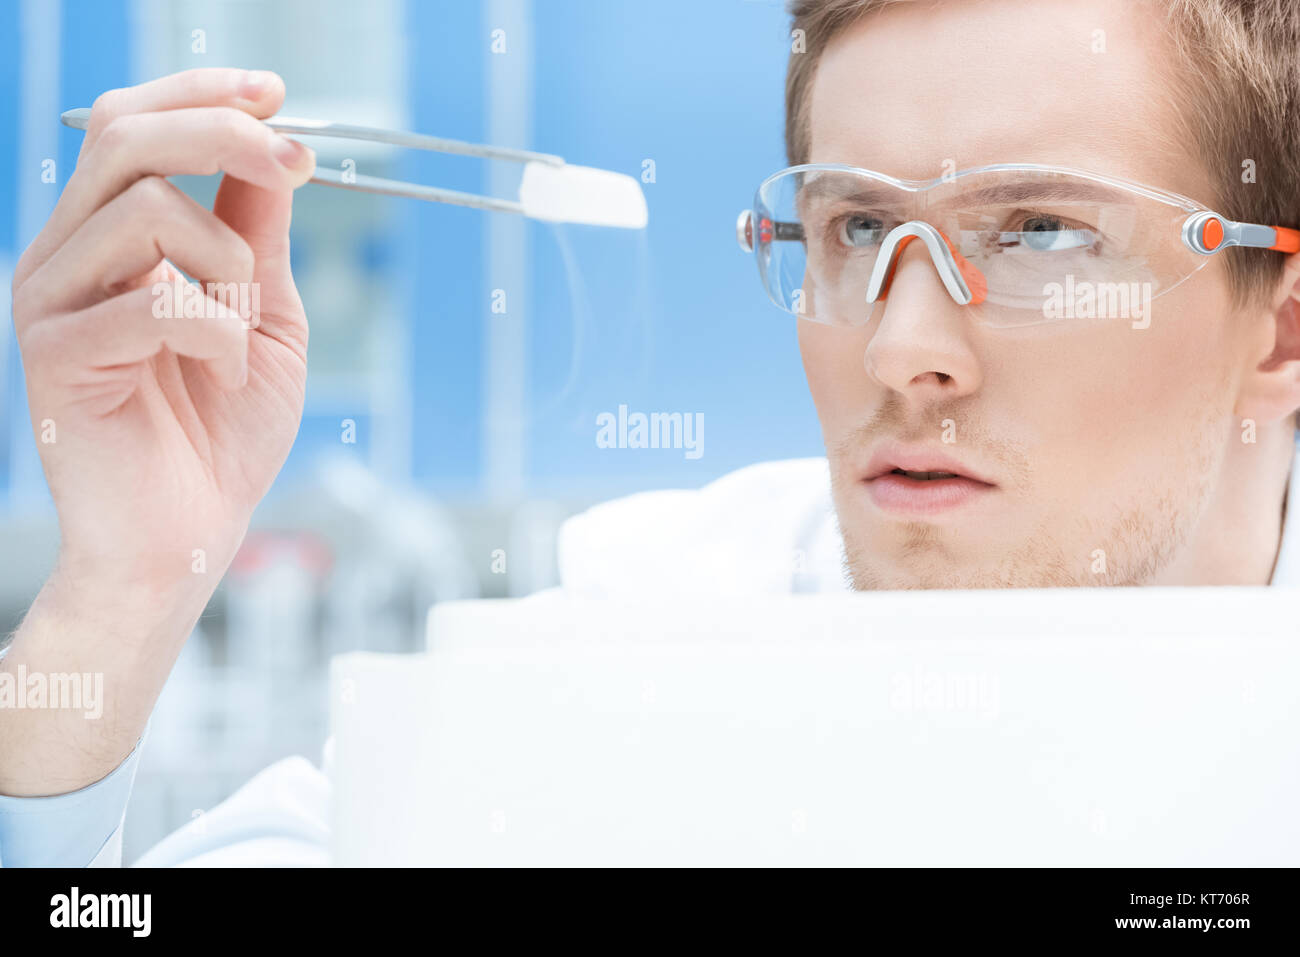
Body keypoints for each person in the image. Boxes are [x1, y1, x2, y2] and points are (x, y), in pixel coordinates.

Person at [2, 0, 1298, 866]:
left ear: (1279, 334)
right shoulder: (646, 628)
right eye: (853, 226)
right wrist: (113, 595)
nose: (903, 351)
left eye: (1040, 233)